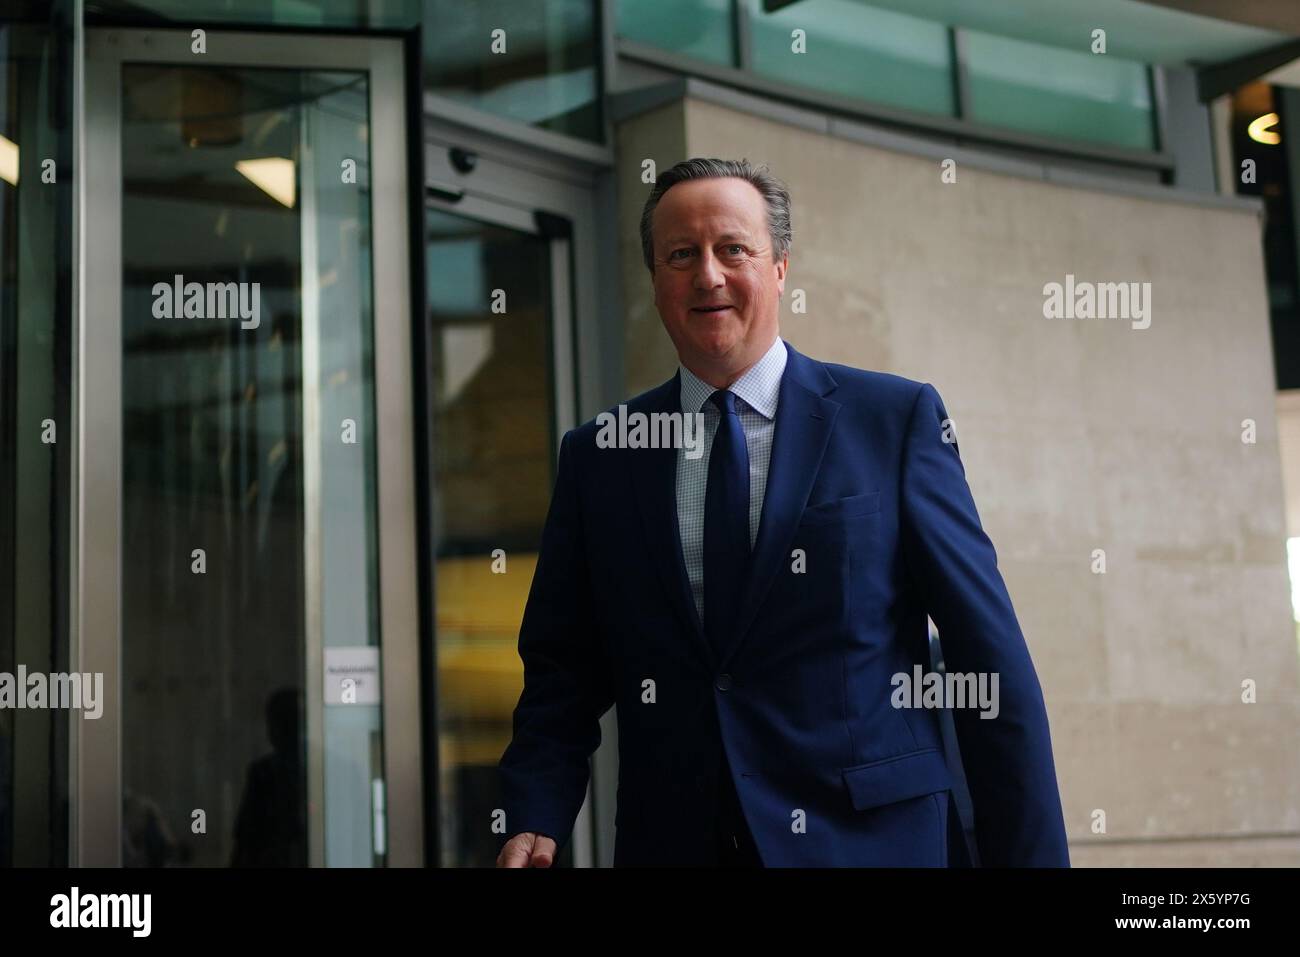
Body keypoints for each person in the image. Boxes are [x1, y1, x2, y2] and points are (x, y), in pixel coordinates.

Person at [496, 157, 1069, 867]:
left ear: (779, 269)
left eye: (732, 249)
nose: (708, 274)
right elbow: (563, 671)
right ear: (655, 280)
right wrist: (534, 811)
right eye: (682, 254)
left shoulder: (892, 421)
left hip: (872, 844)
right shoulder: (600, 454)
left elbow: (990, 664)